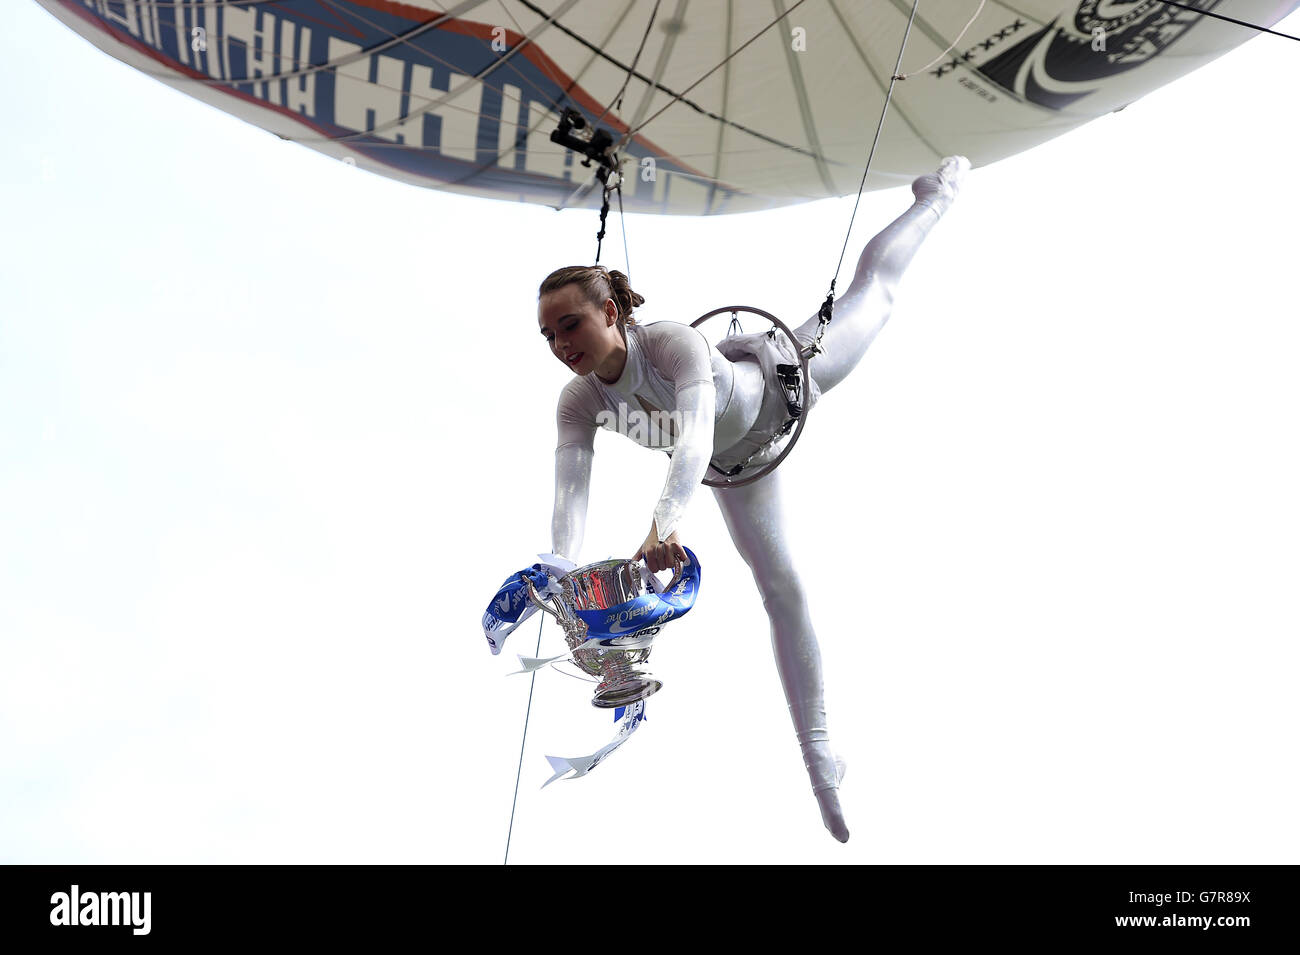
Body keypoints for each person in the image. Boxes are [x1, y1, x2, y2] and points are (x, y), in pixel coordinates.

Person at [539, 156, 970, 843]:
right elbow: (570, 497)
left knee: (877, 292)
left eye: (570, 326)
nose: (560, 345)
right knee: (782, 587)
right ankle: (820, 758)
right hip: (744, 465)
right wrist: (555, 574)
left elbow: (694, 433)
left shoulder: (672, 341)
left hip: (787, 379)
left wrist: (665, 522)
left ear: (611, 313)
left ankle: (939, 195)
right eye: (549, 336)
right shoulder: (578, 401)